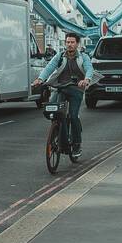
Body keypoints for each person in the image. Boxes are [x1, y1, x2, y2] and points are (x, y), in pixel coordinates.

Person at [34, 32, 95, 161]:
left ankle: (77, 144)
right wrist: (40, 79)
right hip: (60, 88)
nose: (70, 44)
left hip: (76, 90)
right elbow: (49, 67)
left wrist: (86, 80)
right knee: (56, 113)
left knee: (73, 116)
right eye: (68, 42)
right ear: (65, 43)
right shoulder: (60, 56)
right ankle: (58, 134)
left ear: (77, 44)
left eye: (72, 42)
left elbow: (89, 69)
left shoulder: (83, 57)